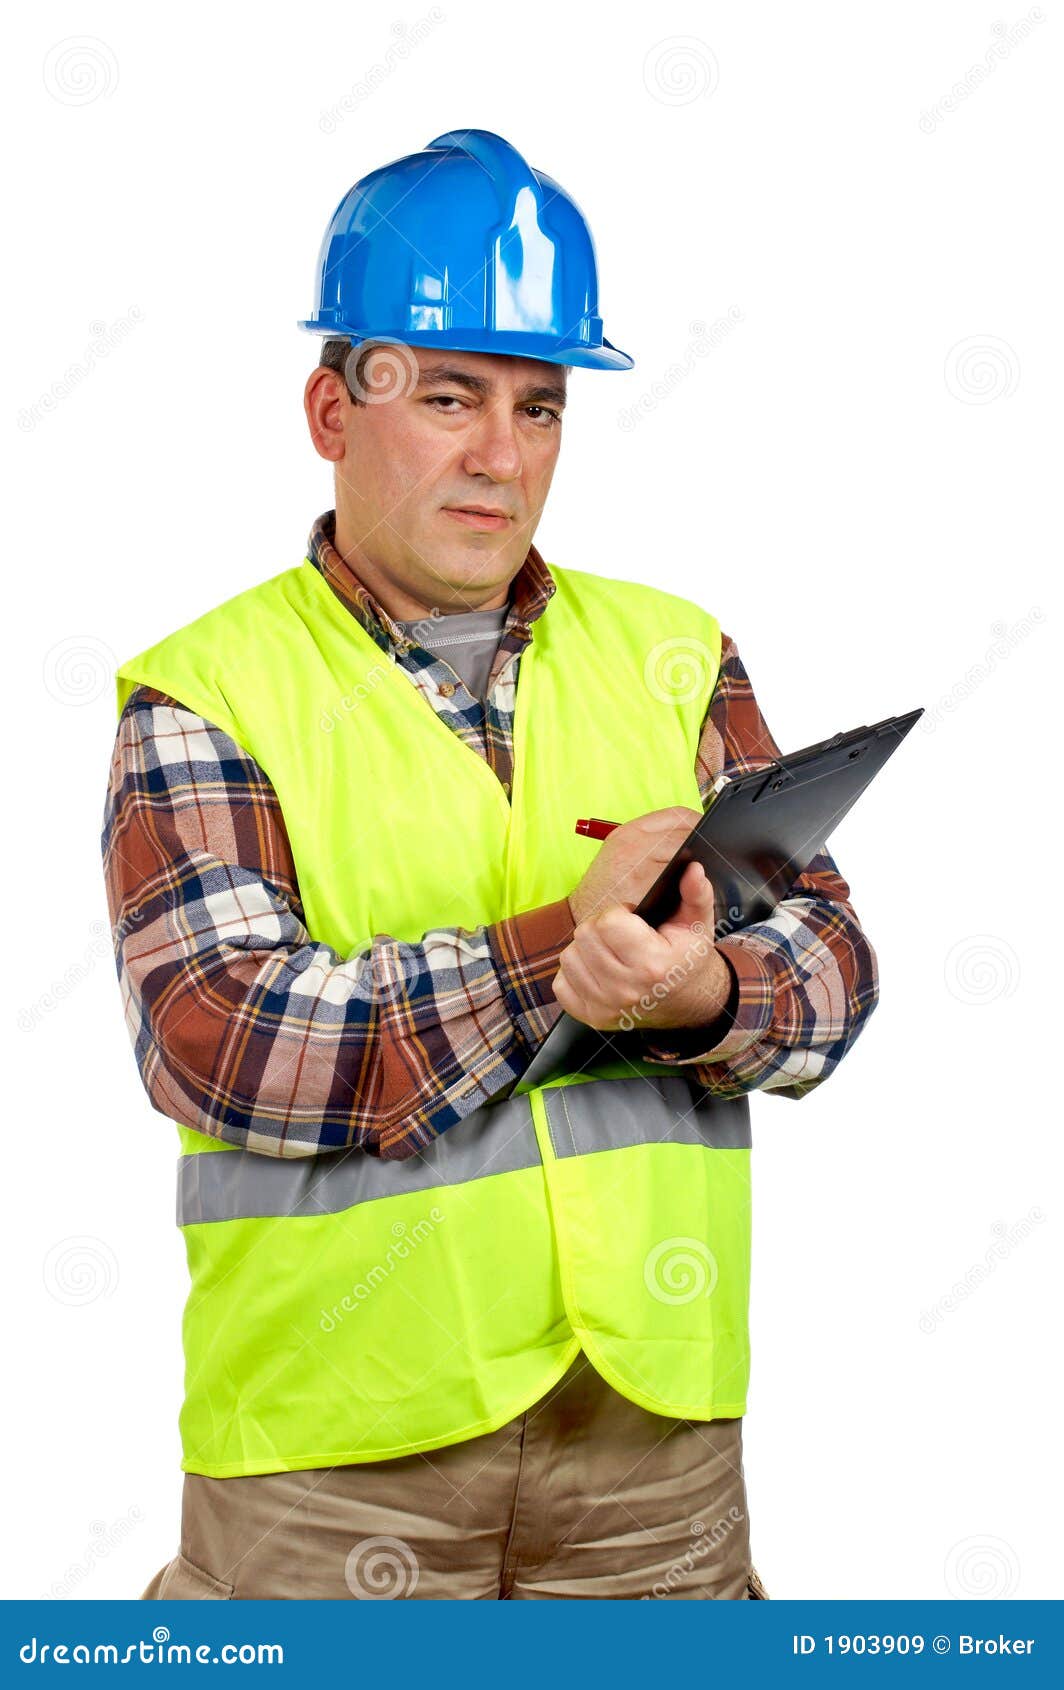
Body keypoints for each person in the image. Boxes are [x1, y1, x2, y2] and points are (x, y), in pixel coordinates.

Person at [101, 129, 878, 1600]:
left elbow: (833, 972)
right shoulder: (210, 690)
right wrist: (561, 957)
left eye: (539, 404)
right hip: (332, 1460)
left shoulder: (671, 654)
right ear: (333, 406)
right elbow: (221, 1040)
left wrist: (701, 988)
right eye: (447, 395)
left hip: (655, 1445)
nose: (500, 455)